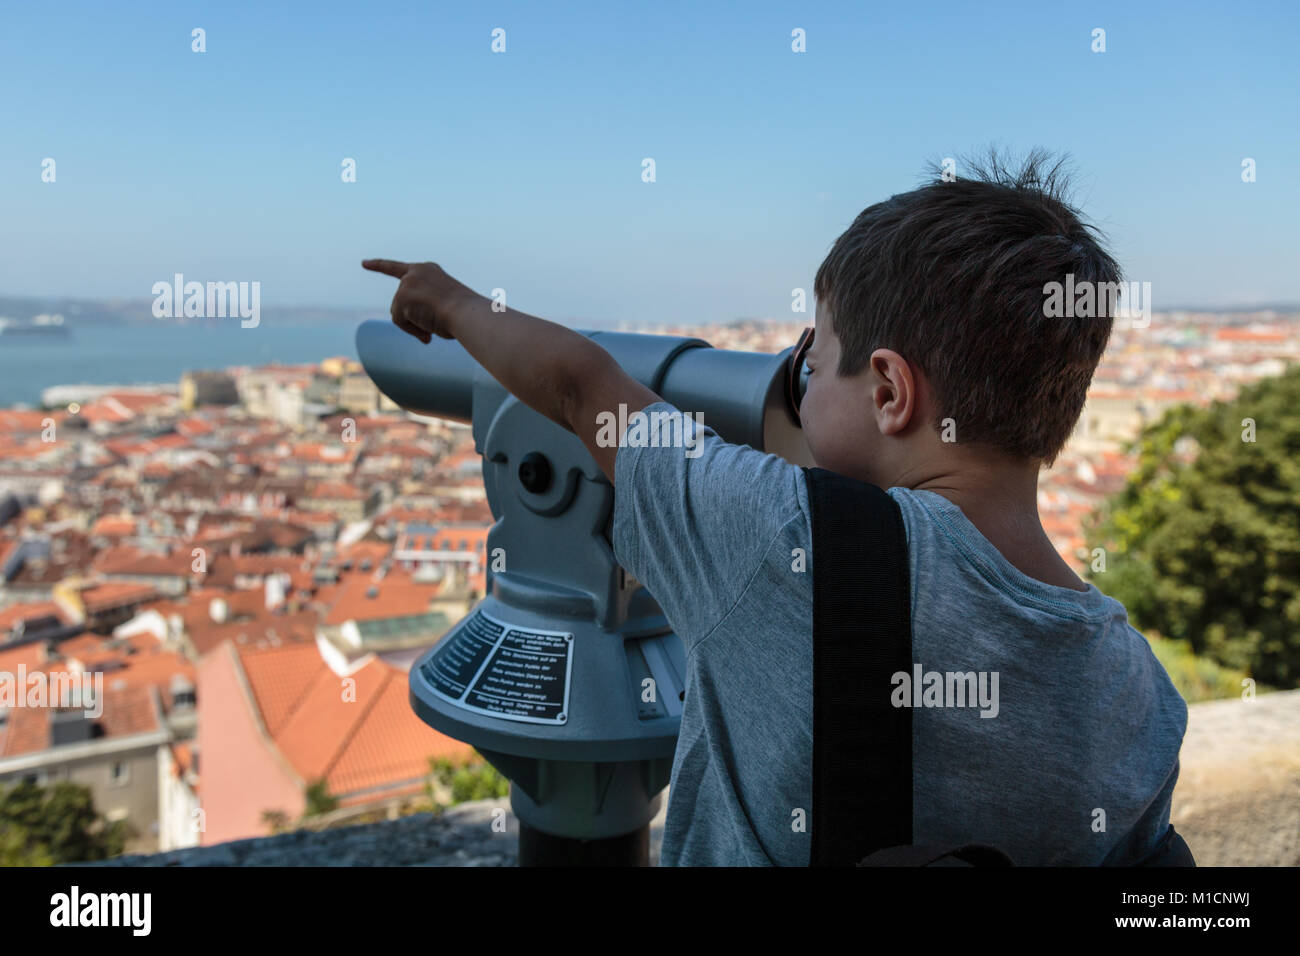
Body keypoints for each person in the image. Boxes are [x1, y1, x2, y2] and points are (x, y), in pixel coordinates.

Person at [362, 149, 1188, 866]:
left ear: (892, 391)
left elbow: (584, 391)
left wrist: (453, 303)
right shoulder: (1139, 692)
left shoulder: (787, 543)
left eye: (813, 364)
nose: (800, 386)